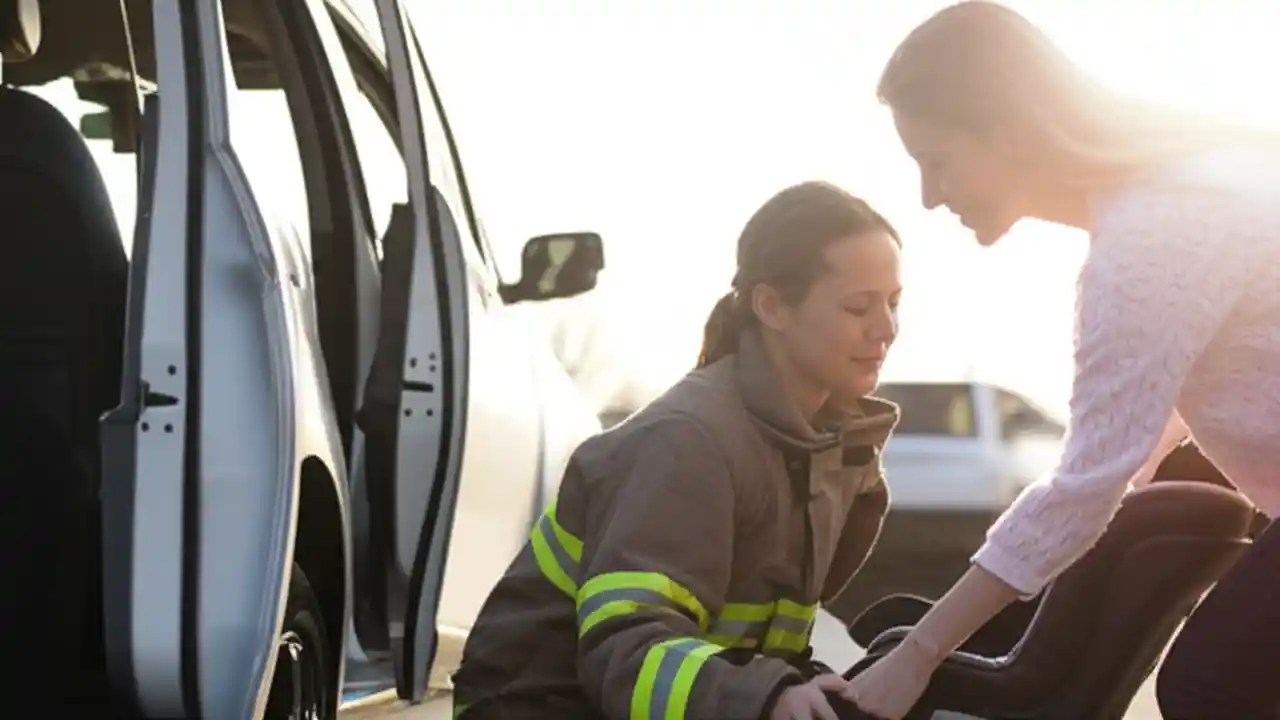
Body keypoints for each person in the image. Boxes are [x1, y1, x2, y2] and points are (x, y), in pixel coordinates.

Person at [842, 3, 1280, 719]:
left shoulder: (1148, 242)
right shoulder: (1166, 211)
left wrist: (916, 658)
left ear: (1009, 134)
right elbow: (1148, 419)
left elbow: (1084, 482)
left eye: (938, 161)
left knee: (1213, 685)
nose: (928, 196)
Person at [451, 181, 904, 720]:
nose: (887, 329)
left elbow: (747, 645)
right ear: (771, 306)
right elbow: (627, 654)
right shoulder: (689, 444)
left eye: (894, 303)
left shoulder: (824, 453)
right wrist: (767, 697)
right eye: (859, 307)